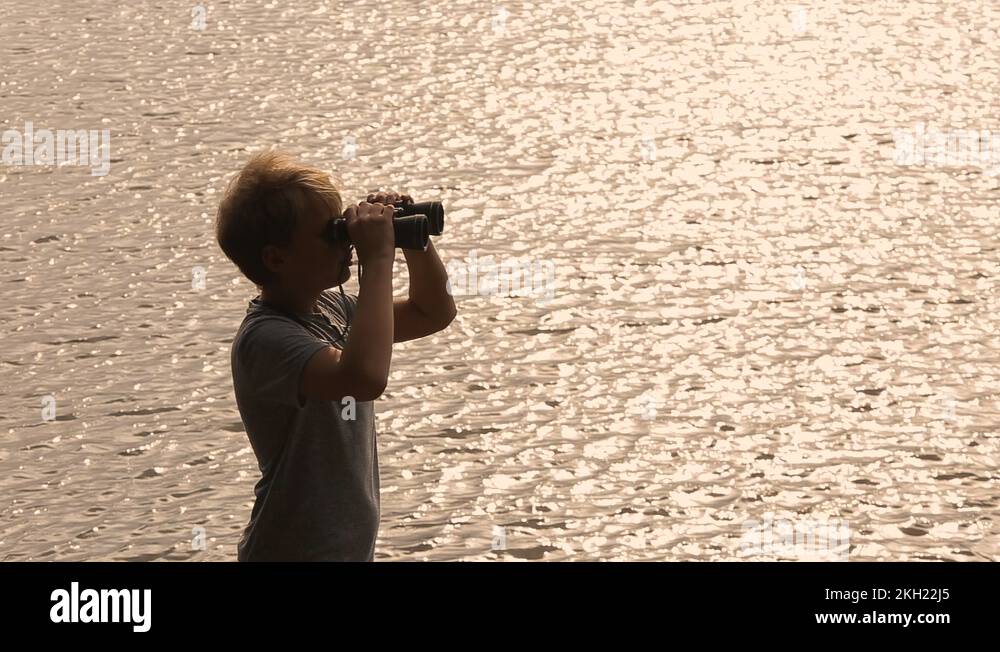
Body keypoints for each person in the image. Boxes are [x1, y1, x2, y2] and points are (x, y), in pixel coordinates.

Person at [214, 149, 456, 560]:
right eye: (332, 233)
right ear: (277, 258)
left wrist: (411, 243)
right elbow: (363, 378)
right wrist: (377, 258)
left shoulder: (331, 308)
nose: (346, 239)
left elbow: (433, 311)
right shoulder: (266, 339)